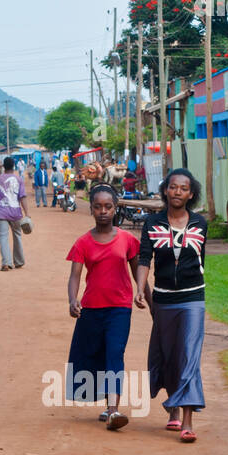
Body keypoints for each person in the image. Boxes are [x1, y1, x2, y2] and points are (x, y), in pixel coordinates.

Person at [134, 168, 208, 443]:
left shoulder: (200, 223)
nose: (177, 192)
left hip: (192, 299)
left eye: (183, 188)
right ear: (165, 190)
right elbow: (144, 259)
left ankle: (188, 420)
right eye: (173, 187)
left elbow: (200, 261)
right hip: (163, 299)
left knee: (188, 356)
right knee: (168, 354)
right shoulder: (152, 223)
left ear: (191, 194)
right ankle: (173, 408)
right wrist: (140, 289)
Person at [66, 184, 145, 430]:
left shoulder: (128, 240)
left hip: (119, 309)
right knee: (95, 355)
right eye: (98, 207)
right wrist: (72, 299)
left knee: (115, 353)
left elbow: (138, 274)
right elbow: (75, 276)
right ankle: (106, 403)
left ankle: (113, 410)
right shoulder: (83, 243)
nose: (103, 211)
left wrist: (148, 299)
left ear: (115, 208)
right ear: (90, 209)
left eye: (108, 206)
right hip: (91, 309)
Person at [0, 156, 33, 271]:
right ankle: (19, 261)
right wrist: (27, 213)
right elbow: (23, 197)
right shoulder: (19, 180)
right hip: (16, 213)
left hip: (1, 213)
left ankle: (6, 263)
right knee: (17, 236)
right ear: (14, 166)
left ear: (3, 167)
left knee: (3, 237)